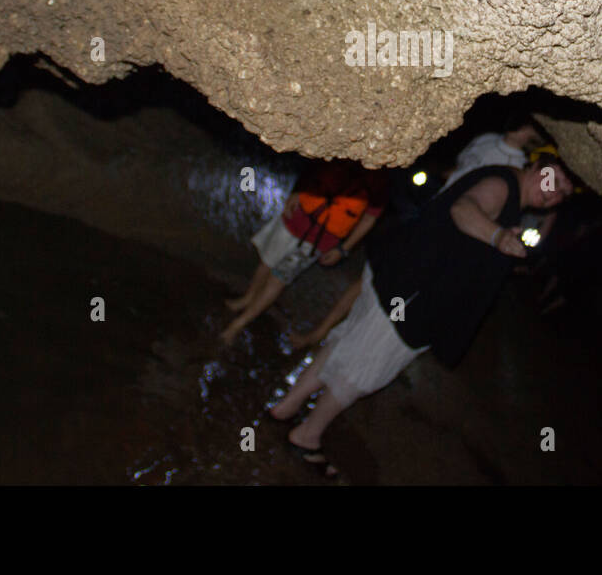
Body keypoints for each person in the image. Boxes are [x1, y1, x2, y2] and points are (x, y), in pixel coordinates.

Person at [270, 155, 574, 473]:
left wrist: (495, 236)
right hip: (408, 303)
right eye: (554, 180)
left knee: (347, 342)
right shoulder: (501, 186)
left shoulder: (508, 185)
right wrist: (498, 238)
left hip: (396, 279)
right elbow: (464, 210)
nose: (554, 193)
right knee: (361, 370)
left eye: (562, 193)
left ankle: (286, 406)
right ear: (538, 167)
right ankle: (307, 436)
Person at [289, 117, 548, 349]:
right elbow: (460, 167)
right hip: (432, 209)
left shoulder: (516, 168)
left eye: (530, 122)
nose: (522, 119)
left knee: (394, 289)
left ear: (532, 133)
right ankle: (323, 332)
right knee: (375, 271)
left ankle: (344, 344)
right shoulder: (487, 140)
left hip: (446, 233)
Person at [222, 160, 387, 346]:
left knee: (277, 280)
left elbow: (368, 219)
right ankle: (247, 298)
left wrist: (343, 249)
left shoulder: (379, 183)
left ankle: (238, 324)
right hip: (296, 218)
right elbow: (313, 169)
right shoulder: (341, 152)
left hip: (317, 241)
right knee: (267, 262)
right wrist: (297, 191)